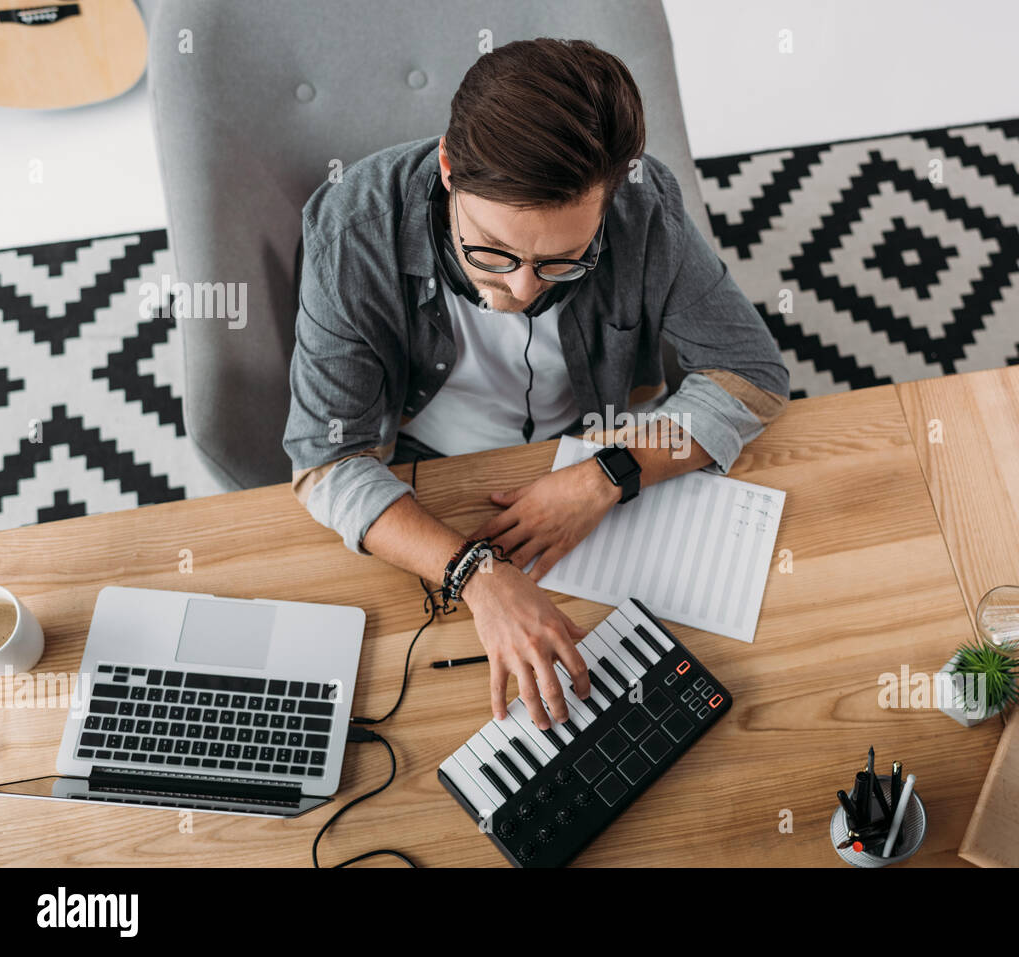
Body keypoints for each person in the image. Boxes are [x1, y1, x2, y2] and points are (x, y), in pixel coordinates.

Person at [283, 38, 788, 730]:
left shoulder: (641, 203)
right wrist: (476, 575)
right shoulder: (353, 228)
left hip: (593, 455)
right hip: (433, 477)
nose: (520, 289)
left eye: (563, 262)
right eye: (491, 251)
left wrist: (607, 471)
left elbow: (750, 374)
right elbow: (327, 461)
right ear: (448, 168)